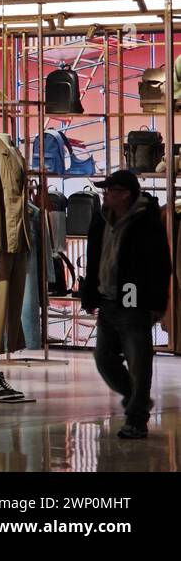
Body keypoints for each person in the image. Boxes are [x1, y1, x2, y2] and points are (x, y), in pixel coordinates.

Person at [81, 170, 172, 440]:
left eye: (110, 191)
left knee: (138, 361)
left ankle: (136, 419)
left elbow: (161, 264)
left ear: (125, 195)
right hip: (107, 299)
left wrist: (157, 302)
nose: (105, 194)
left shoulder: (147, 222)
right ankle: (137, 401)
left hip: (133, 300)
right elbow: (93, 258)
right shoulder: (100, 220)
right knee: (104, 358)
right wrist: (90, 294)